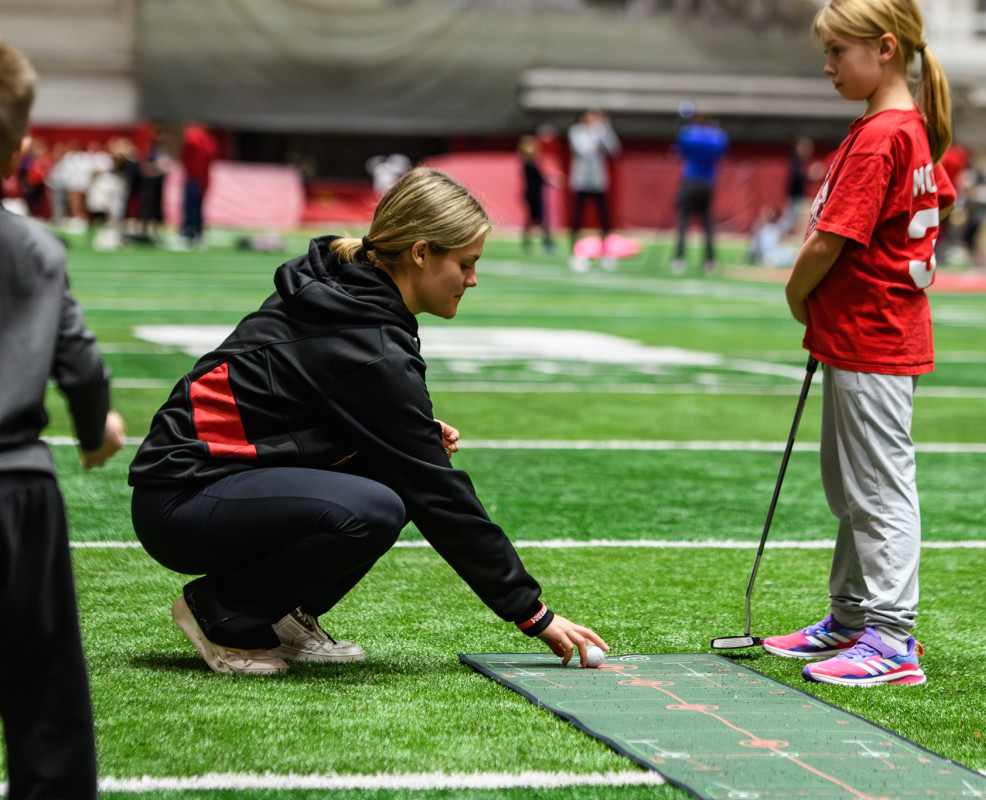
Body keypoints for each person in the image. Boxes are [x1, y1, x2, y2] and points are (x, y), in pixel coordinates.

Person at [128, 167, 607, 675]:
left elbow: (291, 407)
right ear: (421, 253)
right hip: (180, 497)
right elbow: (440, 497)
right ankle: (224, 612)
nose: (472, 279)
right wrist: (533, 614)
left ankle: (283, 617)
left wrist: (397, 431)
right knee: (379, 503)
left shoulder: (342, 286)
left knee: (401, 465)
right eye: (466, 263)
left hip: (211, 479)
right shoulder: (369, 344)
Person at [763, 0, 955, 687]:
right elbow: (937, 205)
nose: (827, 65)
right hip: (862, 329)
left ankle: (892, 638)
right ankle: (851, 618)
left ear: (882, 48)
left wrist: (797, 294)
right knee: (851, 489)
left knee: (877, 489)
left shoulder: (883, 135)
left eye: (837, 51)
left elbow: (829, 239)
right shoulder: (903, 128)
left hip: (873, 332)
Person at [0, 38, 126, 799]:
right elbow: (81, 365)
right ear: (18, 150)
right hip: (17, 491)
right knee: (47, 715)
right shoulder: (37, 248)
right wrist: (94, 431)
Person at [669, 113, 729, 275]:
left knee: (684, 221)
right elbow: (722, 153)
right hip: (707, 184)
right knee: (707, 223)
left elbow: (677, 151)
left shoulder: (688, 135)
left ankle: (679, 259)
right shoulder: (716, 137)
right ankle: (709, 261)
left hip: (690, 181)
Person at [567, 109, 620, 272]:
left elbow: (615, 149)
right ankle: (574, 253)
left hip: (598, 180)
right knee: (578, 216)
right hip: (581, 179)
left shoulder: (602, 132)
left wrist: (607, 130)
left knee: (604, 216)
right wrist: (596, 131)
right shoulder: (576, 131)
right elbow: (584, 150)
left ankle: (606, 253)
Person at [178, 121, 219, 248]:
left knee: (190, 207)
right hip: (200, 177)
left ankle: (189, 234)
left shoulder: (195, 134)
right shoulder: (207, 137)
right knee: (196, 207)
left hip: (194, 177)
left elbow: (190, 150)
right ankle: (197, 234)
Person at [517, 134, 554, 255]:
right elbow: (540, 179)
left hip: (531, 194)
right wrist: (550, 181)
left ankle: (529, 241)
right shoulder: (530, 164)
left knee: (532, 220)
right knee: (540, 219)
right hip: (535, 194)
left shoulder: (527, 162)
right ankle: (546, 242)